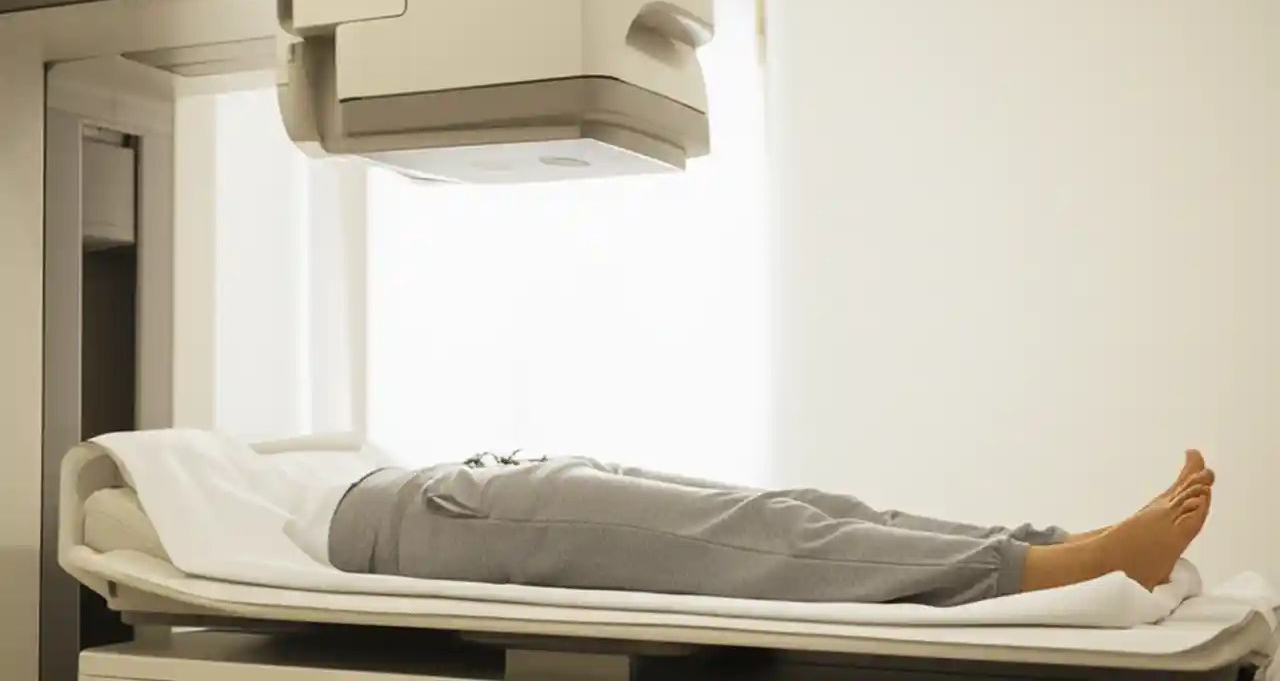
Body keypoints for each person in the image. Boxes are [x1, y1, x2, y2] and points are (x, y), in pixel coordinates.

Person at [315, 449, 1214, 607]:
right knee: (761, 535)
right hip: (416, 516)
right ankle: (1068, 570)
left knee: (813, 510)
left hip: (461, 483)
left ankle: (1066, 545)